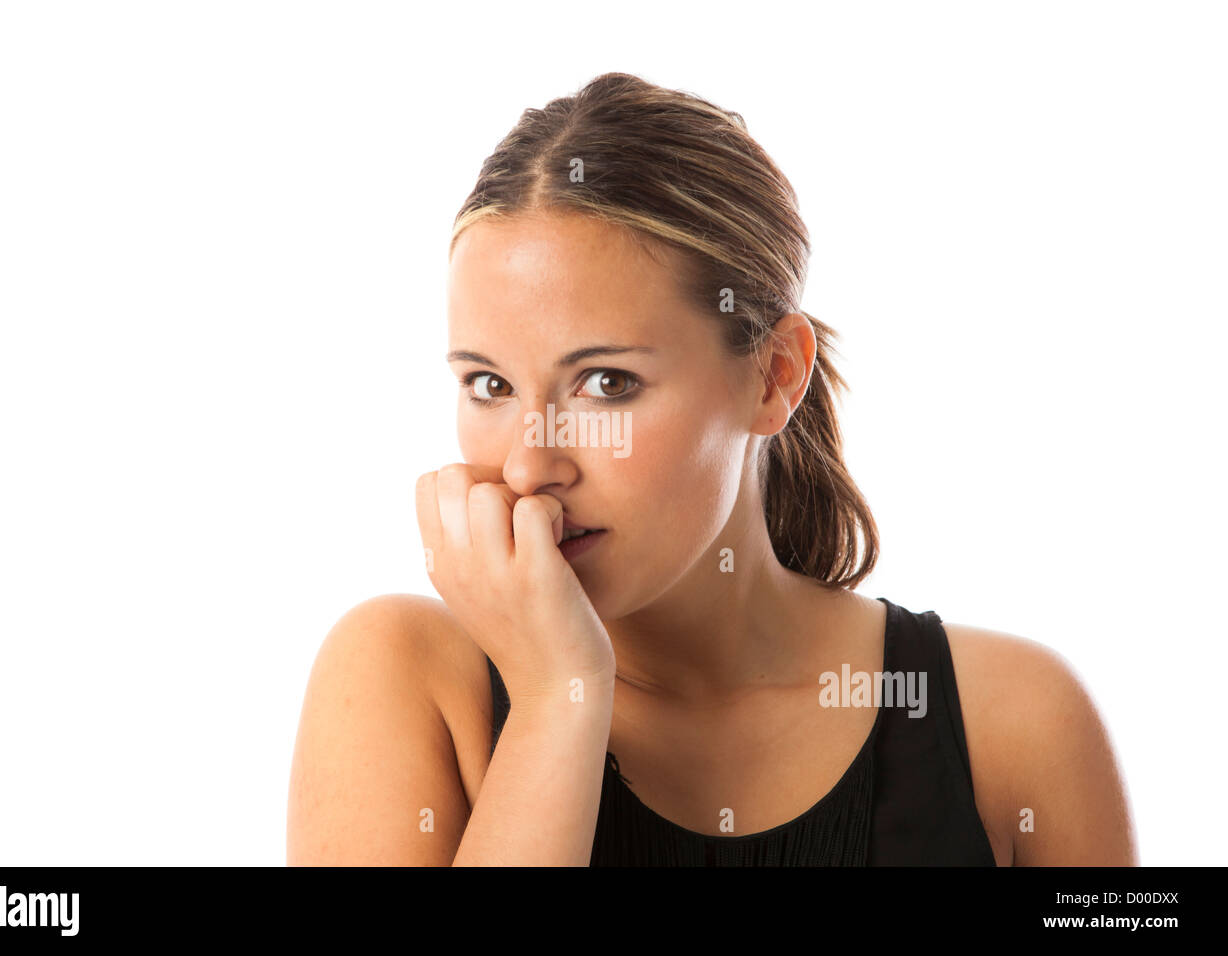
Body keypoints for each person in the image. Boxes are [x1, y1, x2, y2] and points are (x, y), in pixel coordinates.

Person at [286, 72, 1136, 866]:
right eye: (490, 384)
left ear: (774, 378)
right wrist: (557, 700)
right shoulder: (406, 679)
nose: (528, 463)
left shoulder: (1017, 721)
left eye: (607, 383)